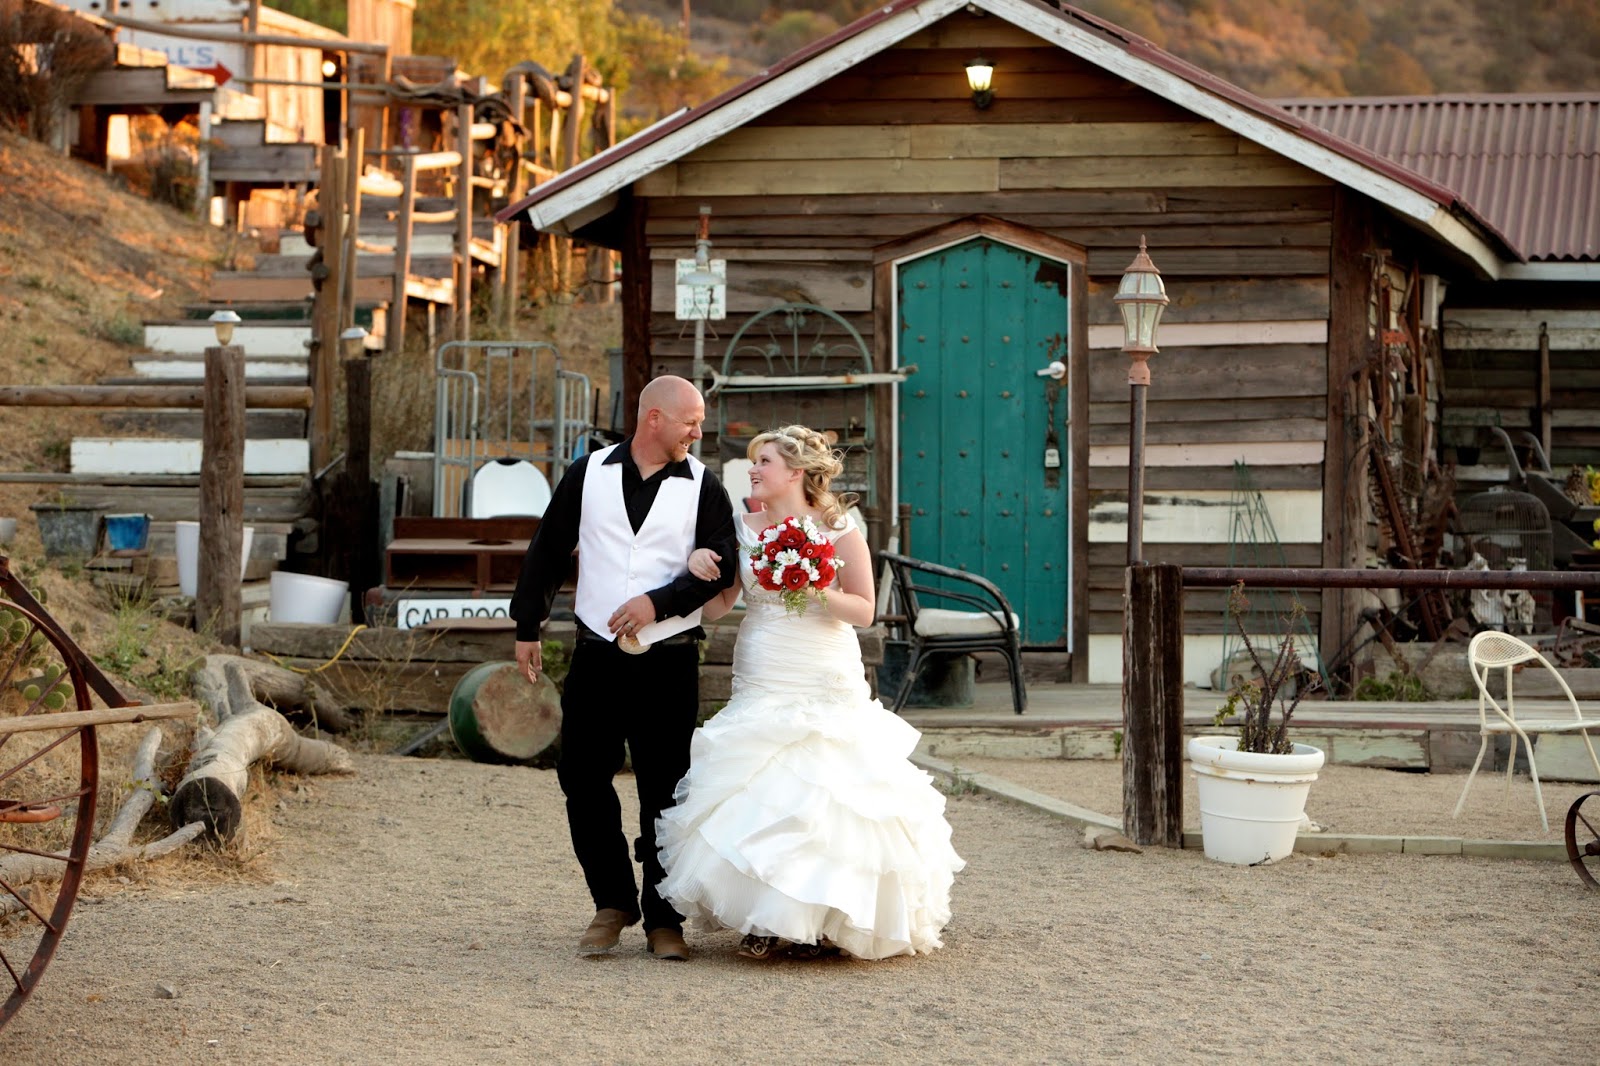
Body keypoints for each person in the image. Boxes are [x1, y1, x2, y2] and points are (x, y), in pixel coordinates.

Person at [656, 425, 964, 960]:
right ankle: (769, 917)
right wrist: (698, 569)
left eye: (763, 462)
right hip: (763, 665)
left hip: (822, 667)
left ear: (795, 473)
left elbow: (865, 611)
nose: (753, 471)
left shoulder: (838, 528)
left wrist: (814, 588)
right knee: (763, 785)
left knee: (830, 788)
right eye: (754, 463)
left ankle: (828, 920)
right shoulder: (739, 529)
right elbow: (718, 607)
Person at [511, 375, 737, 962]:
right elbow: (548, 548)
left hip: (670, 661)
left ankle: (665, 919)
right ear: (654, 418)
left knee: (665, 788)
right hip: (596, 656)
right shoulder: (588, 473)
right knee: (582, 777)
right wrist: (526, 626)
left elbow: (725, 564)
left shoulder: (704, 485)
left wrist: (656, 604)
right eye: (691, 419)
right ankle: (611, 901)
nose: (699, 430)